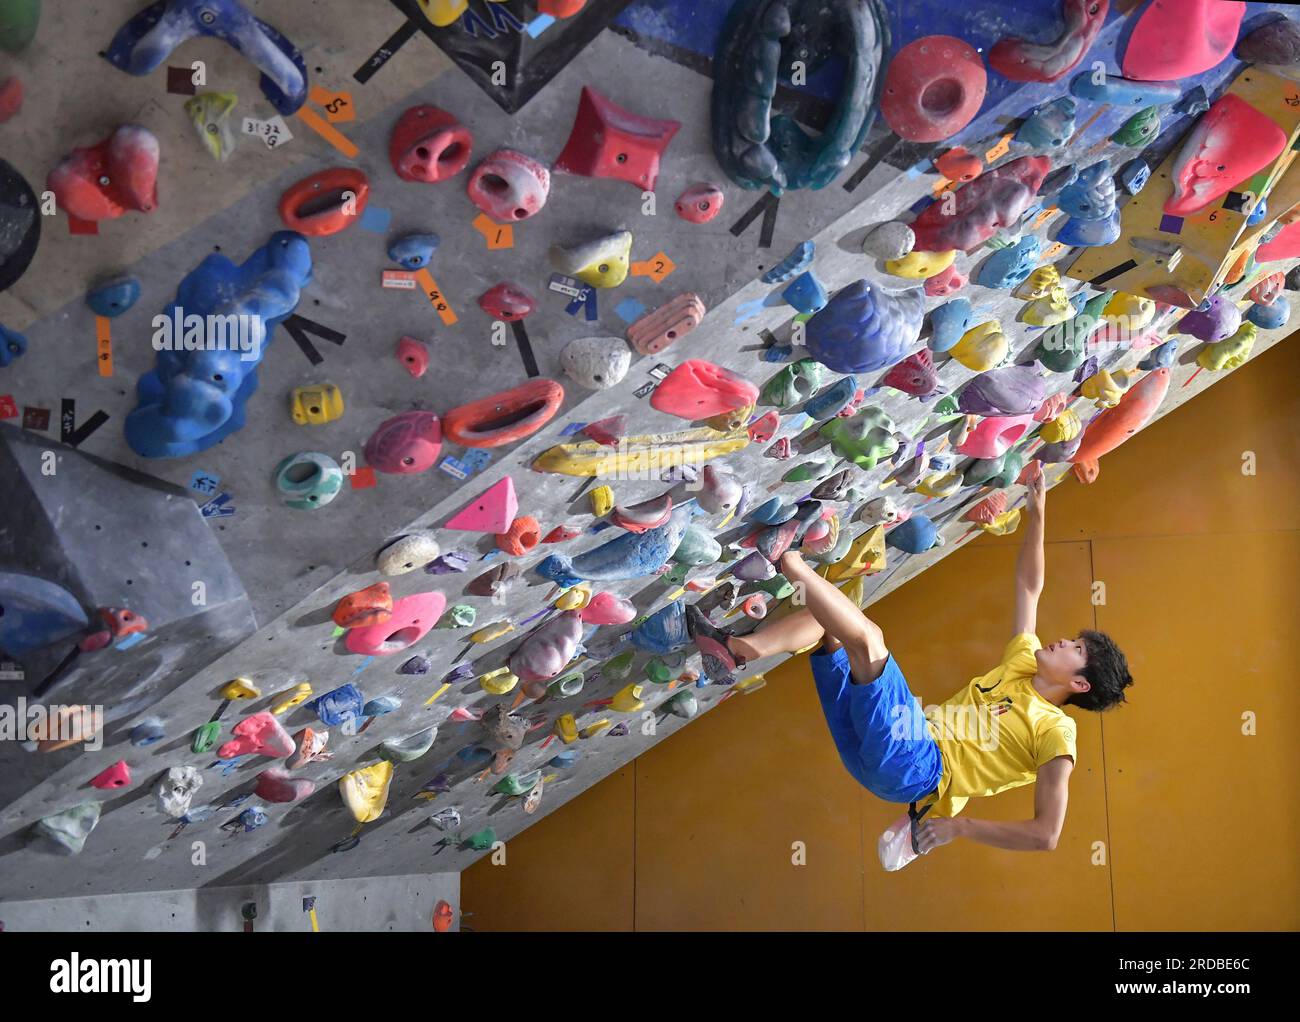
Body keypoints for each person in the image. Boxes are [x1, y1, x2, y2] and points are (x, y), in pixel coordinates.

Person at [686, 472, 1133, 856]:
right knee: (834, 623)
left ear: (1079, 684)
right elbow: (1028, 588)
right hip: (881, 763)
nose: (1062, 641)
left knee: (869, 639)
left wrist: (960, 827)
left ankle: (784, 555)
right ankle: (740, 651)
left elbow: (1046, 835)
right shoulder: (1022, 665)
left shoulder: (1057, 731)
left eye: (1076, 649)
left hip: (919, 767)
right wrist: (1038, 516)